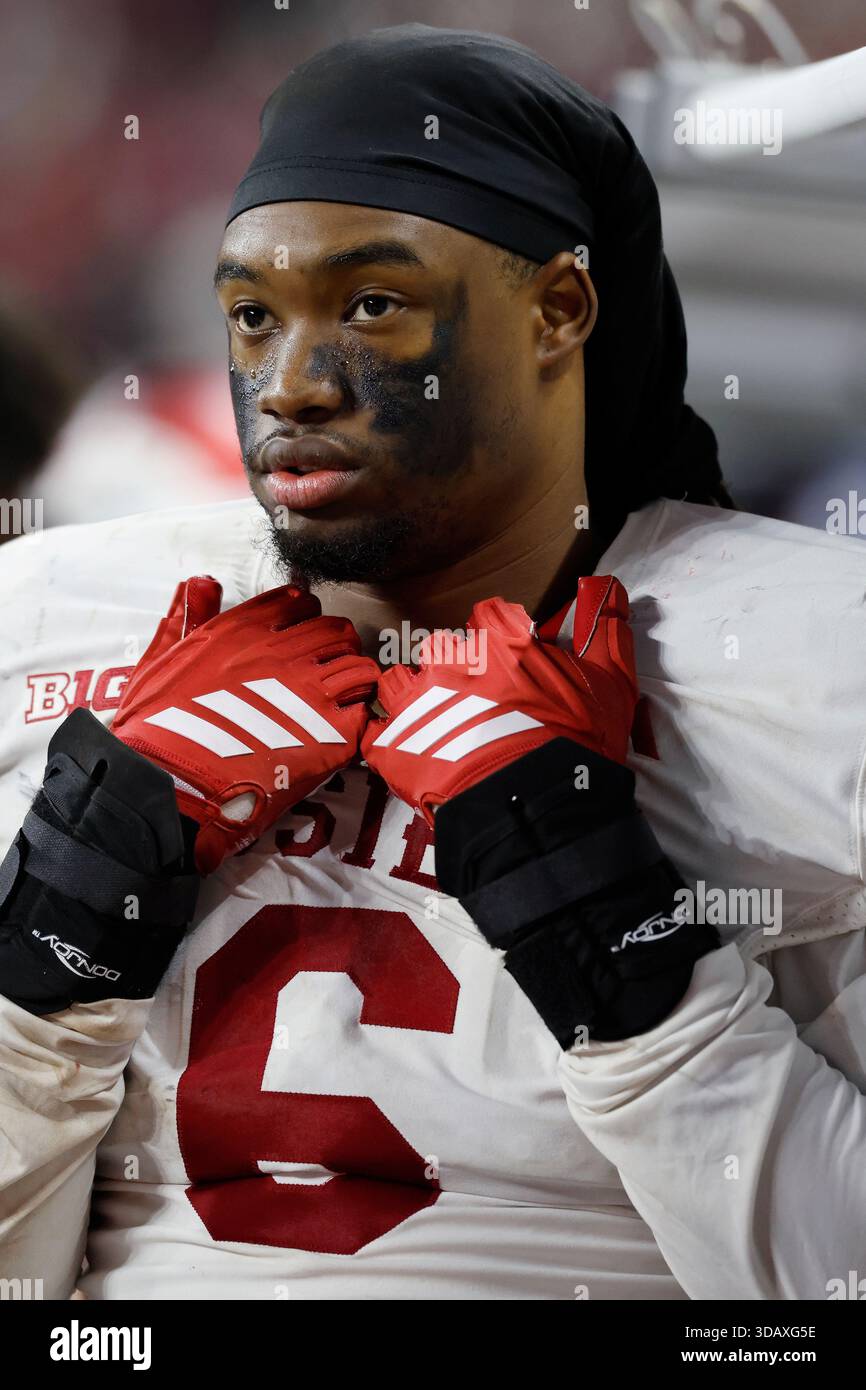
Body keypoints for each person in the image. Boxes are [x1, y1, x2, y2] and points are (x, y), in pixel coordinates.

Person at [0, 23, 864, 1302]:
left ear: (557, 307)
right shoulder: (57, 625)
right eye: (249, 314)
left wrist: (615, 949)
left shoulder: (806, 654)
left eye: (370, 304)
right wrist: (60, 930)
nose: (287, 384)